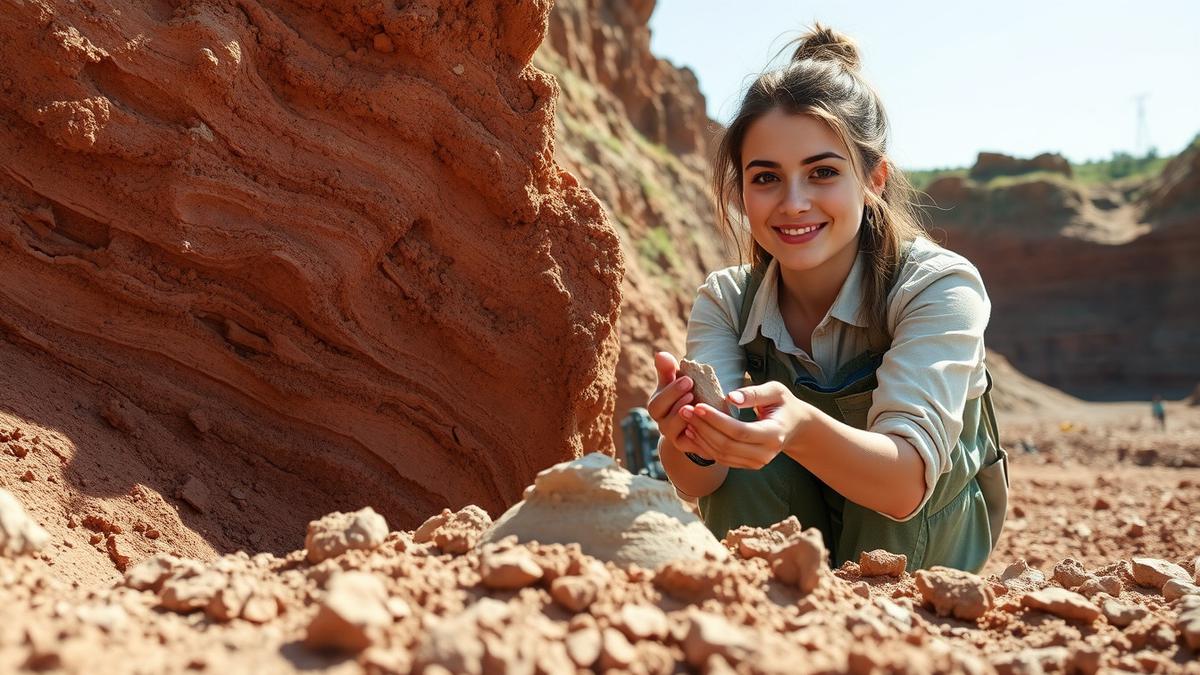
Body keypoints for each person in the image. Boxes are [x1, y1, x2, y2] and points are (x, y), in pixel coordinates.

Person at [646, 24, 1007, 573]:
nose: (794, 202)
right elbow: (704, 480)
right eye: (765, 178)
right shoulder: (726, 299)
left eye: (822, 172)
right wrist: (688, 438)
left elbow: (905, 487)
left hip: (911, 551)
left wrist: (798, 426)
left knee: (886, 466)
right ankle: (768, 608)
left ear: (874, 179)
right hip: (787, 558)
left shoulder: (938, 286)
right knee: (744, 449)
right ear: (741, 191)